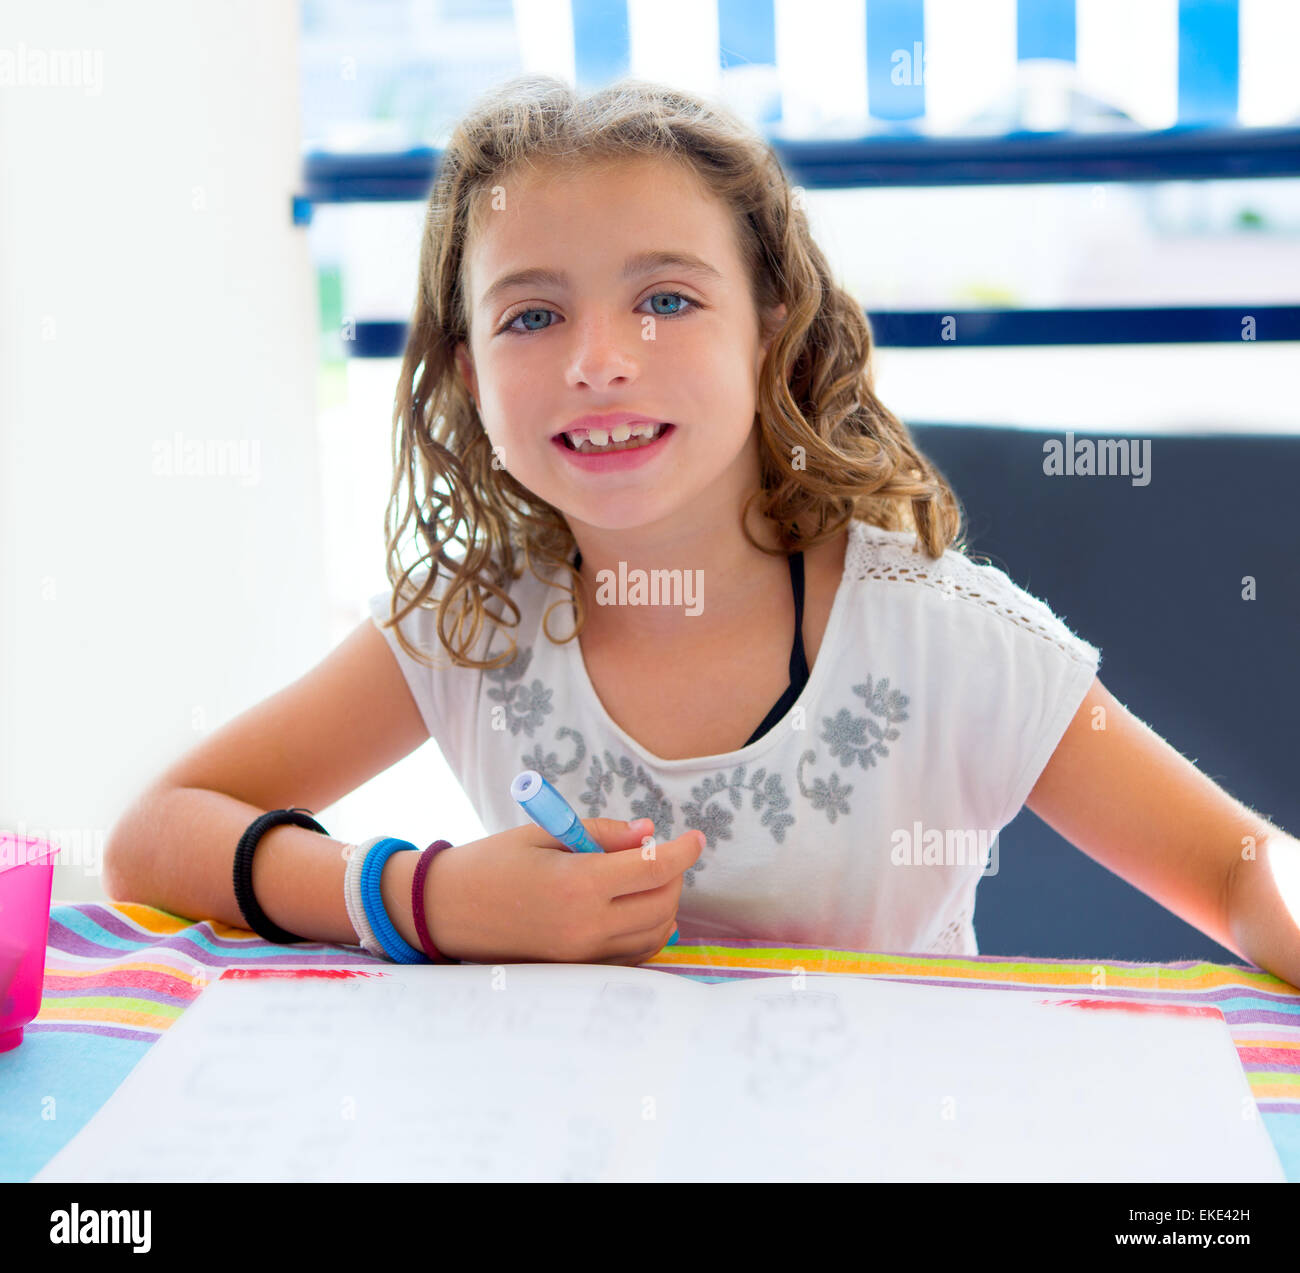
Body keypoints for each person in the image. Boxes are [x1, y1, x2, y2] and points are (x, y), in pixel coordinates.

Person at [103, 75, 1300, 983]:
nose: (598, 361)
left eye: (667, 298)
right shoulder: (466, 628)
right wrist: (429, 899)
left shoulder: (943, 635)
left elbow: (1246, 874)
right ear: (468, 375)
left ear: (771, 328)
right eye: (531, 315)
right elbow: (156, 837)